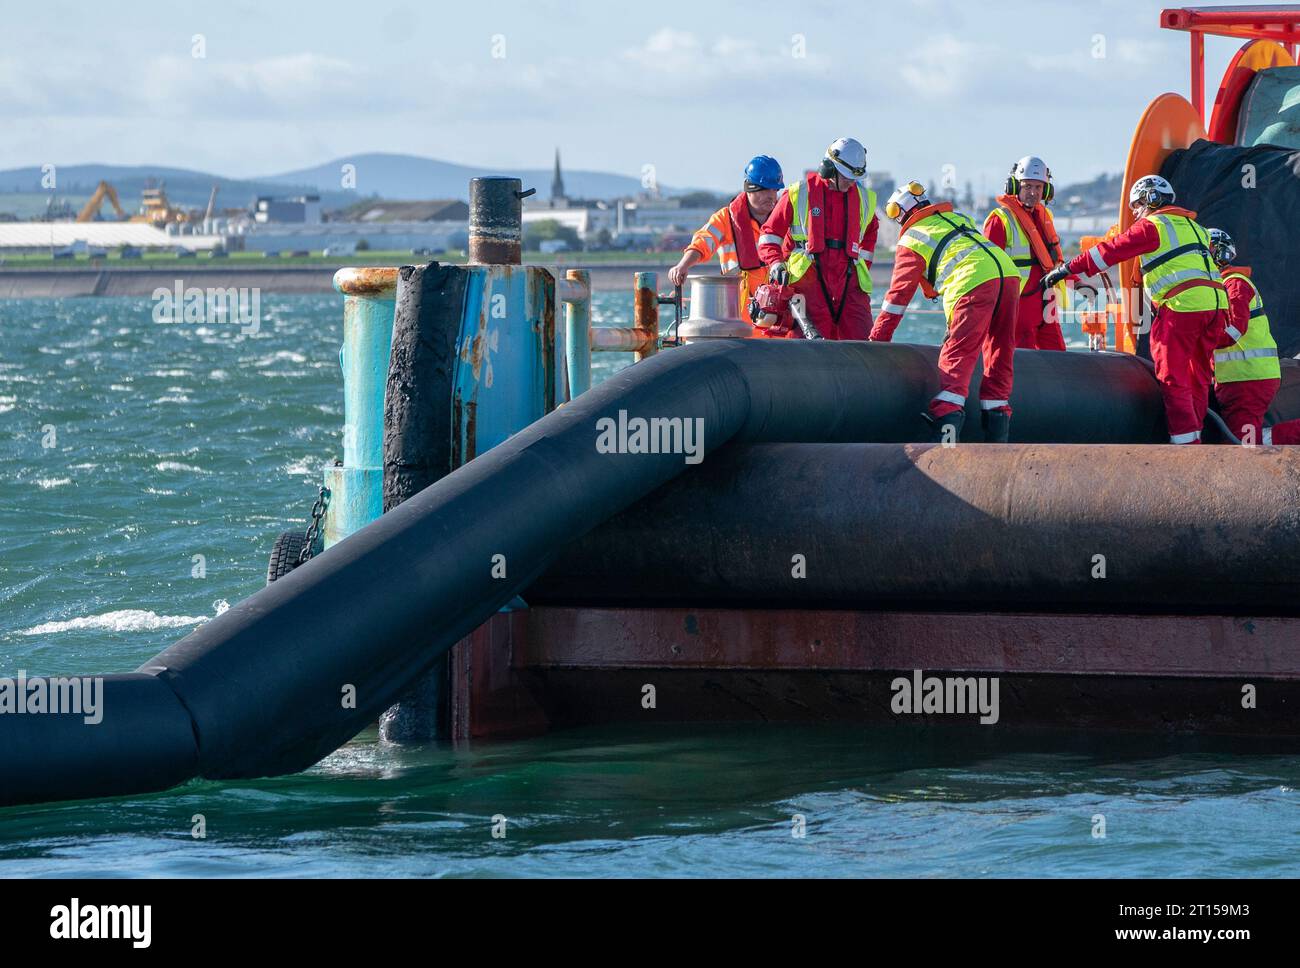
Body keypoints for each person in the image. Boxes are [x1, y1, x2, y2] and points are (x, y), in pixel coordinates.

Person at [1044, 175, 1227, 444]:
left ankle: (1186, 446)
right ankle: (1198, 438)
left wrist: (1066, 269)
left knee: (1172, 376)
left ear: (1148, 200)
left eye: (1136, 208)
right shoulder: (1196, 227)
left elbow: (1108, 251)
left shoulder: (1152, 226)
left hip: (1182, 308)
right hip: (1216, 308)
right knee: (1197, 376)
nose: (1136, 215)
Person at [870, 181, 1020, 442]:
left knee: (956, 360)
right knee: (999, 355)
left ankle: (946, 444)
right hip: (1009, 276)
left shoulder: (912, 237)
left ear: (902, 215)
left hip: (973, 283)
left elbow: (897, 298)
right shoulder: (956, 218)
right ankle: (998, 448)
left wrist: (877, 341)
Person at [757, 137, 879, 340]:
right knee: (804, 347)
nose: (851, 182)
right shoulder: (798, 193)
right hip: (808, 283)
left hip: (849, 284)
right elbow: (769, 234)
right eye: (846, 175)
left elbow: (871, 231)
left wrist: (861, 265)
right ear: (829, 168)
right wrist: (776, 263)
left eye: (854, 177)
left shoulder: (864, 198)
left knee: (862, 343)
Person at [669, 156, 784, 335]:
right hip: (739, 322)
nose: (771, 196)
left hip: (778, 322)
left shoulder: (784, 219)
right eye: (765, 190)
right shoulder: (725, 219)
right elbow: (703, 241)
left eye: (775, 190)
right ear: (750, 188)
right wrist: (683, 265)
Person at [982, 156, 1068, 351]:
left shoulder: (1044, 217)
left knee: (1060, 361)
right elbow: (986, 269)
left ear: (1046, 190)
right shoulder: (1000, 221)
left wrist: (1077, 282)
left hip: (1046, 306)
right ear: (1014, 187)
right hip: (1016, 308)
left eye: (1038, 188)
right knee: (1021, 364)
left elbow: (1053, 259)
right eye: (1028, 186)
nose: (1033, 193)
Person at [1205, 228, 1281, 444]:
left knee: (1242, 447)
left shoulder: (1235, 284)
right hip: (1242, 378)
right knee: (1243, 440)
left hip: (1247, 379)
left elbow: (1234, 331)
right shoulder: (1220, 287)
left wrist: (1198, 341)